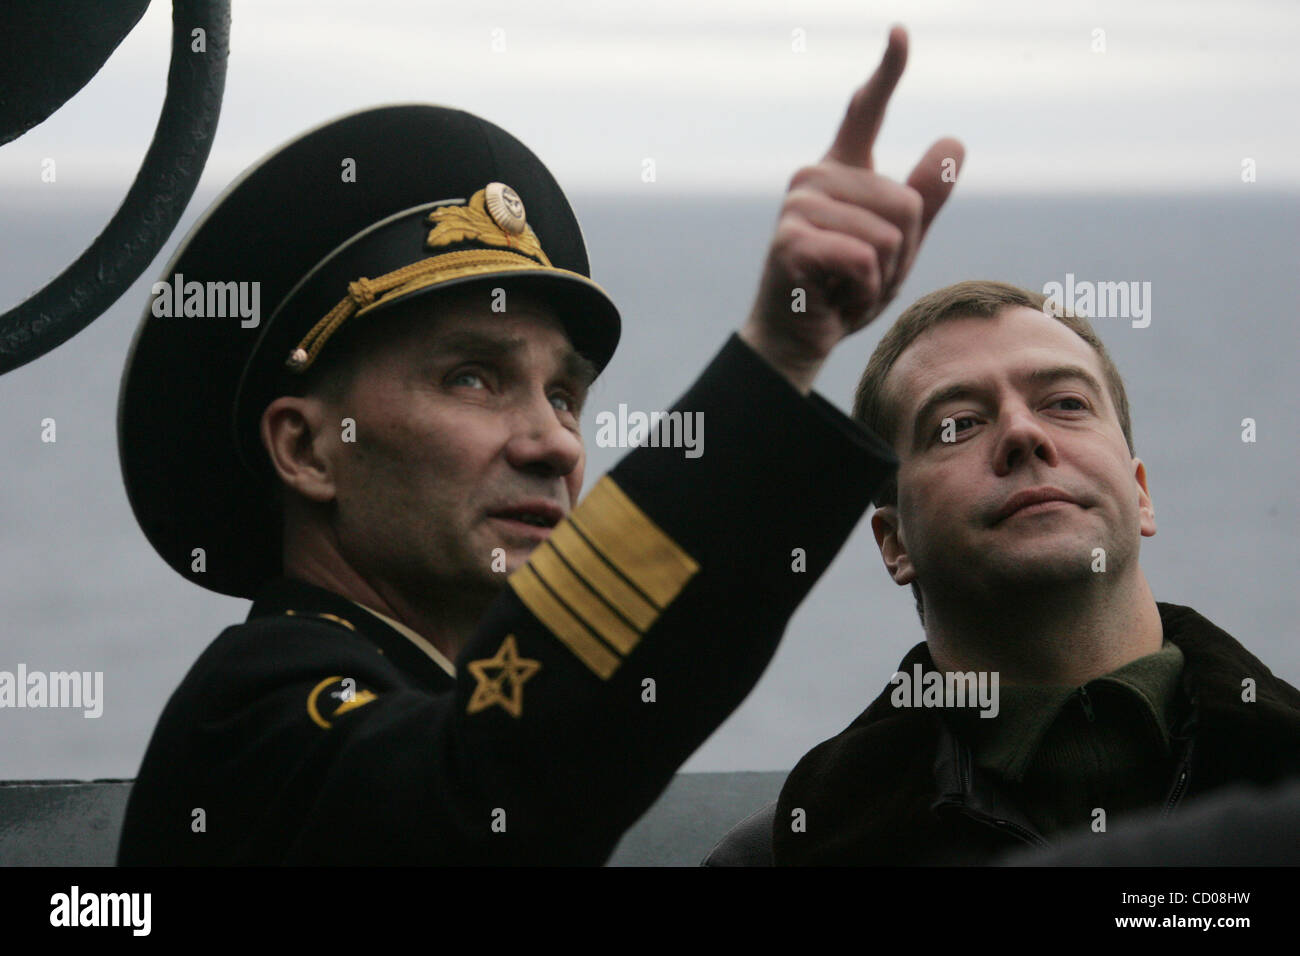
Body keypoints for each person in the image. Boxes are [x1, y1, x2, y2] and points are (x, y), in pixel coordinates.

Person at [116, 28, 962, 864]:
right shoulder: (253, 713)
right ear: (306, 450)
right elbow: (481, 792)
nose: (555, 445)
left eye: (565, 396)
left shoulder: (407, 705)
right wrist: (779, 355)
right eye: (472, 379)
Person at [705, 279, 1300, 865]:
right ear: (895, 542)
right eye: (957, 424)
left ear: (1141, 494)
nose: (1023, 433)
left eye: (1067, 403)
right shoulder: (783, 859)